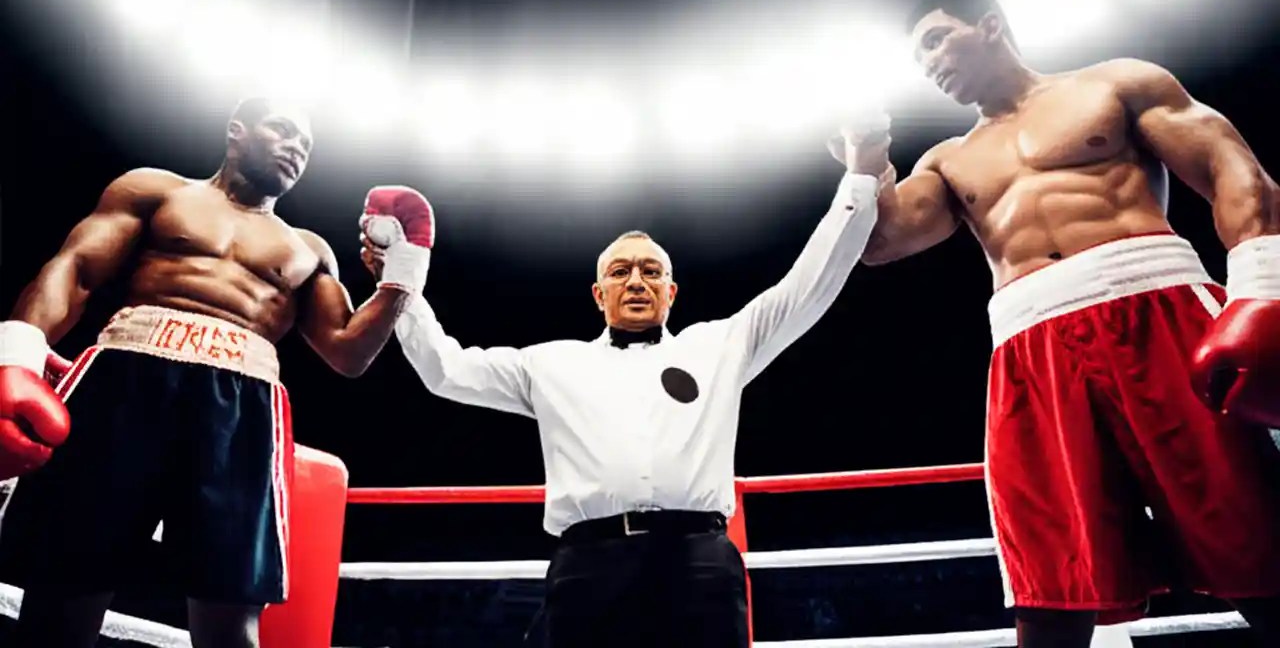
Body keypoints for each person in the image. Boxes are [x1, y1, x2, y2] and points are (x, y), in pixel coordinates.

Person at [834, 0, 1280, 647]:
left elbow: (1232, 171)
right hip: (1031, 347)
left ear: (989, 26)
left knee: (1256, 542)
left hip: (1154, 308)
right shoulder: (949, 159)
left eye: (935, 40)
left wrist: (1259, 290)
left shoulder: (1115, 85)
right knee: (1049, 575)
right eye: (917, 56)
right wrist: (864, 159)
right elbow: (878, 244)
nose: (927, 63)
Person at [357, 124, 890, 648]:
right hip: (591, 566)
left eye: (650, 272)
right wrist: (402, 275)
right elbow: (446, 369)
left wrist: (860, 177)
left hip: (698, 559)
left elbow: (807, 287)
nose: (636, 281)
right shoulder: (550, 364)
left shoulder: (720, 346)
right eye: (621, 271)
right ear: (598, 292)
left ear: (671, 291)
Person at [0, 97, 426, 648]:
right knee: (64, 589)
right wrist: (17, 355)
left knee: (230, 618)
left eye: (308, 145)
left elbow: (347, 351)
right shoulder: (156, 191)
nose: (298, 148)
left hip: (240, 407)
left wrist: (402, 277)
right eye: (284, 130)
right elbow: (75, 270)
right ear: (237, 130)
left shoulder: (308, 249)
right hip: (126, 379)